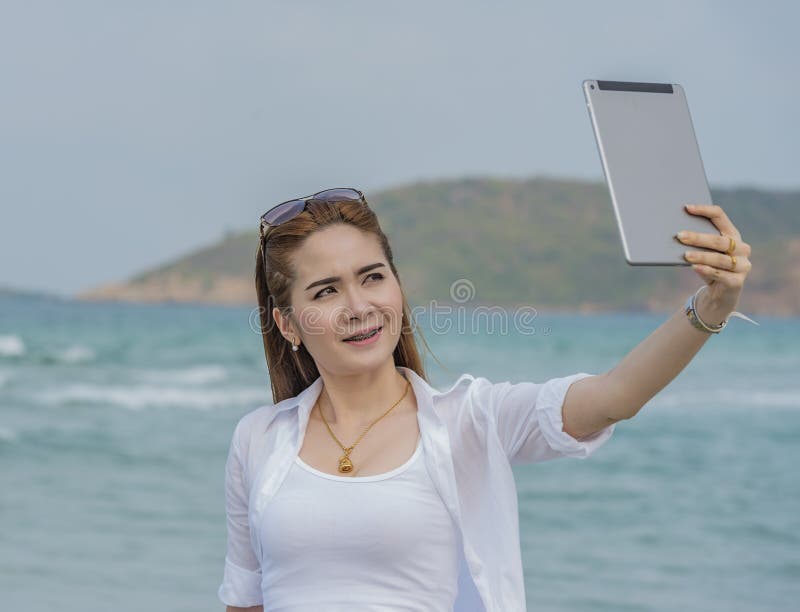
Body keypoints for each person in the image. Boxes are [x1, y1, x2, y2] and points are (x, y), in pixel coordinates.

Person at [218, 189, 756, 612]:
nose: (359, 306)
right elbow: (245, 601)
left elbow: (615, 396)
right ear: (287, 323)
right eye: (326, 291)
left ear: (397, 289)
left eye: (372, 278)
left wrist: (711, 304)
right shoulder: (259, 439)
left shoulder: (471, 421)